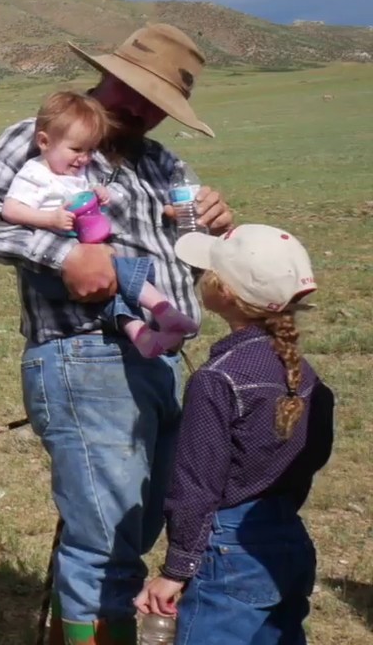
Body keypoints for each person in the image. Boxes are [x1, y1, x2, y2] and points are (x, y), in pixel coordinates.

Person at [0, 23, 234, 645]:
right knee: (105, 541)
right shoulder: (47, 136)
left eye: (157, 102)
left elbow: (186, 253)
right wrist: (61, 255)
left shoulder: (161, 161)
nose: (138, 107)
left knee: (137, 523)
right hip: (88, 353)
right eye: (130, 88)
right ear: (104, 74)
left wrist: (216, 226)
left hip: (162, 359)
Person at [135, 224, 334, 644]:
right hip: (287, 539)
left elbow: (196, 486)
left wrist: (177, 570)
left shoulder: (217, 379)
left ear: (222, 291)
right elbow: (311, 457)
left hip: (227, 554)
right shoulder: (307, 378)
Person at [2, 90, 199, 358]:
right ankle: (164, 310)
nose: (84, 159)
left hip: (88, 252)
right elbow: (10, 209)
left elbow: (81, 192)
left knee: (113, 294)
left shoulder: (73, 169)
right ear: (44, 142)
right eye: (76, 150)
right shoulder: (34, 173)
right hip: (52, 270)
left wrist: (98, 191)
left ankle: (140, 333)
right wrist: (49, 219)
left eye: (90, 151)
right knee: (127, 270)